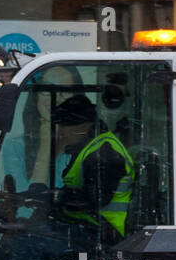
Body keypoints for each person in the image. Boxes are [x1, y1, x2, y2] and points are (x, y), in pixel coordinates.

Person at [51, 94, 136, 244]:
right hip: (87, 226)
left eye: (65, 126)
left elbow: (94, 199)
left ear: (85, 125)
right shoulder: (91, 148)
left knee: (28, 246)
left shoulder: (103, 153)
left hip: (102, 232)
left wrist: (56, 198)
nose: (62, 133)